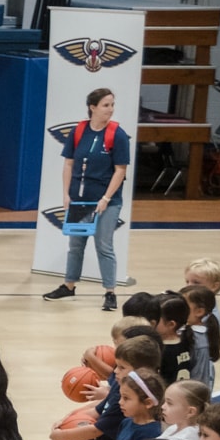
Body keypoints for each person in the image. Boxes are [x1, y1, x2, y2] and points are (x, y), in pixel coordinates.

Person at [42, 87, 130, 312]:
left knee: (104, 246)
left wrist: (106, 198)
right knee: (75, 245)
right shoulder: (79, 131)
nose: (110, 109)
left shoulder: (117, 134)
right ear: (93, 107)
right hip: (80, 200)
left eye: (112, 105)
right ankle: (69, 286)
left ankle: (110, 292)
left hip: (106, 202)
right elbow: (68, 164)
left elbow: (120, 170)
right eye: (106, 105)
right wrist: (66, 194)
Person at [154, 293, 195, 383]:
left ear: (171, 324)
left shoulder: (162, 350)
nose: (151, 321)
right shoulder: (184, 340)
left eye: (155, 318)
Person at [181, 285, 217, 386]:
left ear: (199, 312)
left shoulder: (199, 342)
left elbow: (199, 380)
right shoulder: (186, 332)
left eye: (183, 307)